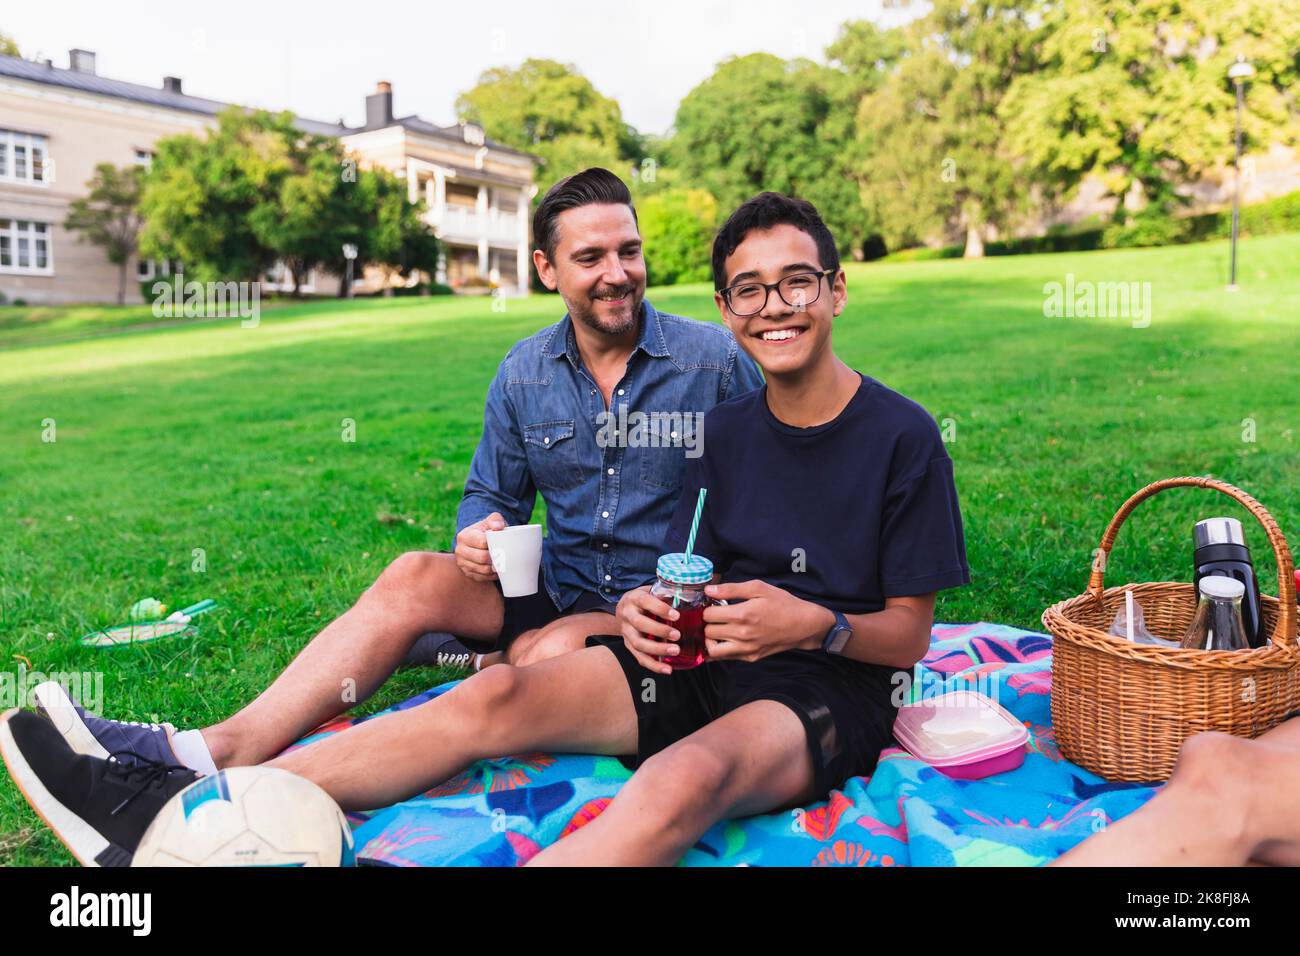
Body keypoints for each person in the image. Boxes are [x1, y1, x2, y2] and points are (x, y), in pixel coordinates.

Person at [1, 190, 968, 867]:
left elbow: (910, 637)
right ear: (727, 306)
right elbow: (686, 559)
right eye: (750, 290)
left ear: (837, 290)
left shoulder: (886, 430)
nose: (775, 306)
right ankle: (181, 803)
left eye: (797, 283)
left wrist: (813, 624)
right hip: (683, 651)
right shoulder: (710, 425)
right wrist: (633, 603)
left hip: (818, 679)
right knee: (483, 708)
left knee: (679, 781)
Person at [23, 167, 761, 780]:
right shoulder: (525, 372)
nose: (617, 274)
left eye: (628, 252)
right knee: (414, 574)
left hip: (646, 615)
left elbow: (768, 505)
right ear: (545, 269)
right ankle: (217, 746)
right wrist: (478, 533)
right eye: (590, 257)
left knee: (547, 656)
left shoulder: (713, 362)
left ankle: (477, 658)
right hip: (554, 586)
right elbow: (489, 494)